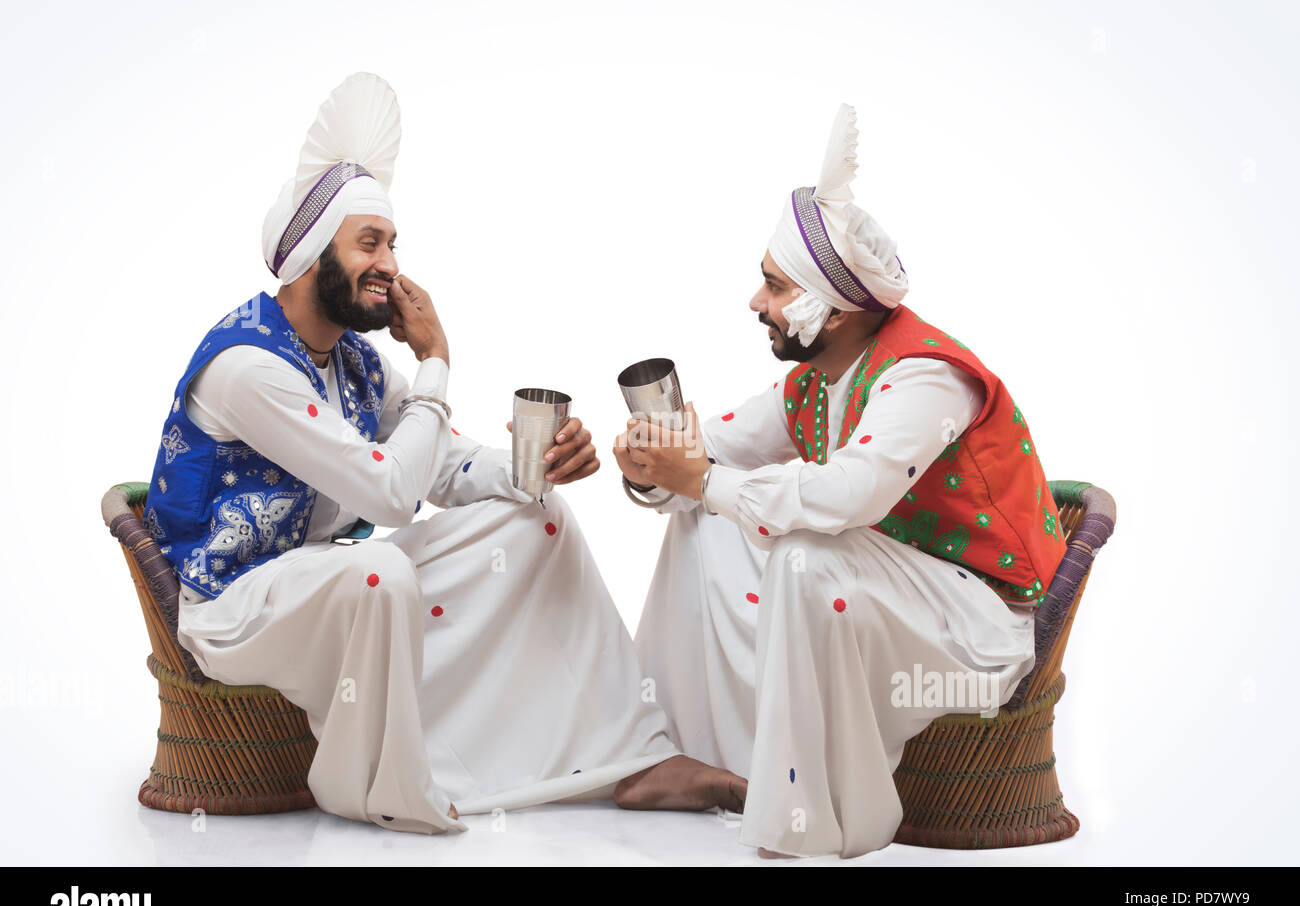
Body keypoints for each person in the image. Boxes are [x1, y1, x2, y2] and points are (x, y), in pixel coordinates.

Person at [145, 73, 745, 836]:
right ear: (308, 257)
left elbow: (445, 465)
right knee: (378, 567)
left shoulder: (353, 363)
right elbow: (391, 495)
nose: (391, 264)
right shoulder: (249, 367)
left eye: (393, 244)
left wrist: (535, 468)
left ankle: (630, 755)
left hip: (326, 586)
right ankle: (390, 785)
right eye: (370, 243)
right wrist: (436, 359)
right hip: (236, 605)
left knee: (538, 522)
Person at [613, 104, 1067, 858]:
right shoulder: (821, 379)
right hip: (899, 601)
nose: (755, 304)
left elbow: (846, 496)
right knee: (706, 511)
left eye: (772, 287)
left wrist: (700, 477)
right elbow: (713, 453)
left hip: (978, 629)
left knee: (802, 551)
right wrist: (654, 464)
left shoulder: (925, 376)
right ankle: (697, 752)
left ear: (832, 306)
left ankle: (806, 821)